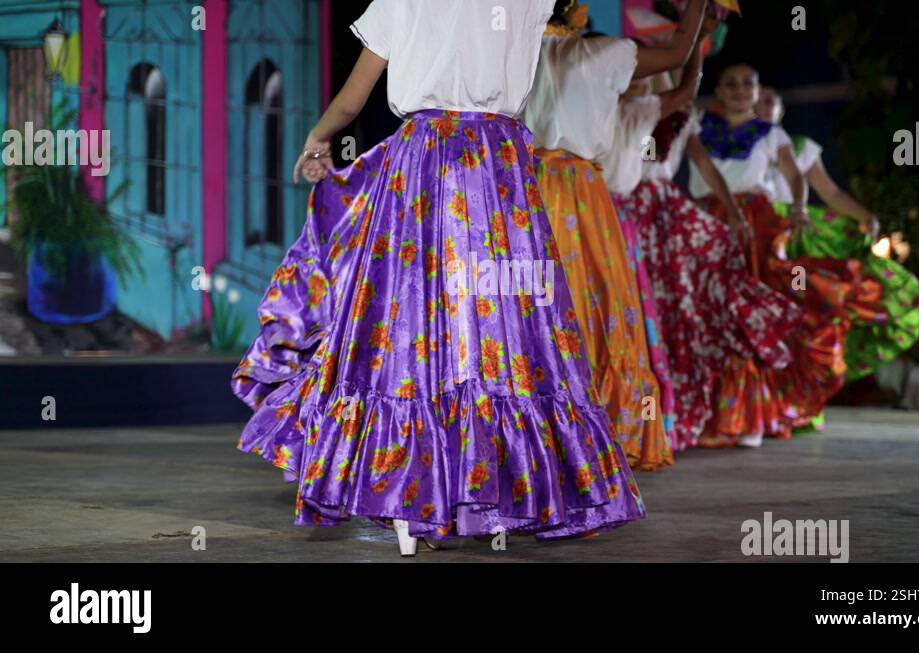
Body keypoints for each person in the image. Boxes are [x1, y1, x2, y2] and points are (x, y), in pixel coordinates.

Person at [230, 0, 645, 557]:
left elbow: (354, 98)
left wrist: (316, 140)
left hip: (424, 163)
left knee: (414, 326)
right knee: (504, 326)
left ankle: (411, 497)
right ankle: (500, 492)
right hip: (497, 166)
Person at [522, 0, 712, 470]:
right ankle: (594, 434)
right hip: (583, 194)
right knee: (600, 308)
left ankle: (535, 439)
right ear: (579, 16)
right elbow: (676, 57)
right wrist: (700, 16)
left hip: (525, 190)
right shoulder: (606, 54)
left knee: (534, 311)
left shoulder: (514, 52)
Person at [601, 7, 803, 451]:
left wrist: (731, 208)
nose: (646, 71)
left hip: (664, 214)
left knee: (687, 303)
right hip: (622, 211)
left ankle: (705, 410)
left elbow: (702, 160)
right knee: (643, 307)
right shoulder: (618, 106)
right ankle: (638, 415)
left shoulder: (674, 111)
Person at [689, 62, 882, 447]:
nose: (741, 89)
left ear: (758, 91)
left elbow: (796, 176)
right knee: (706, 317)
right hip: (706, 225)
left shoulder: (771, 134)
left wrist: (797, 205)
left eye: (748, 83)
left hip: (754, 229)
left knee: (749, 320)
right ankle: (707, 415)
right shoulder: (696, 127)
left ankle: (751, 417)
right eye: (731, 83)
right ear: (719, 90)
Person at [755, 86, 919, 383]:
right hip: (753, 231)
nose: (762, 105)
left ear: (781, 109)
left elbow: (830, 191)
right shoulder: (731, 144)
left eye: (770, 100)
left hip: (794, 236)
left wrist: (865, 216)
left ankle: (798, 389)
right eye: (758, 100)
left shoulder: (799, 147)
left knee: (806, 310)